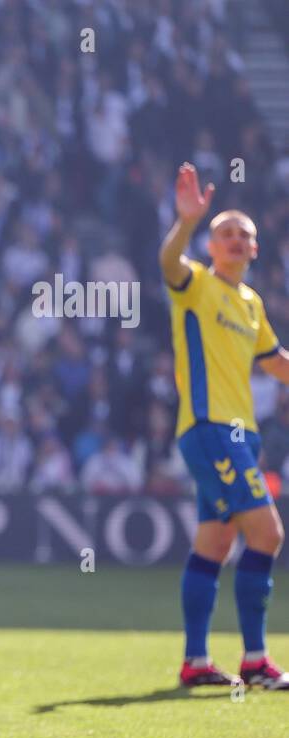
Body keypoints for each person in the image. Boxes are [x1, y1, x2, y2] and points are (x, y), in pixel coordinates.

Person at [160, 162, 289, 690]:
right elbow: (168, 261)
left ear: (255, 250)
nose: (236, 240)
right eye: (226, 232)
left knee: (214, 546)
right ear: (211, 246)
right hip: (212, 428)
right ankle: (256, 659)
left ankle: (195, 662)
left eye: (245, 235)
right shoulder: (196, 285)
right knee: (269, 533)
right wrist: (186, 221)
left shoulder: (251, 304)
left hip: (238, 433)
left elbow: (276, 362)